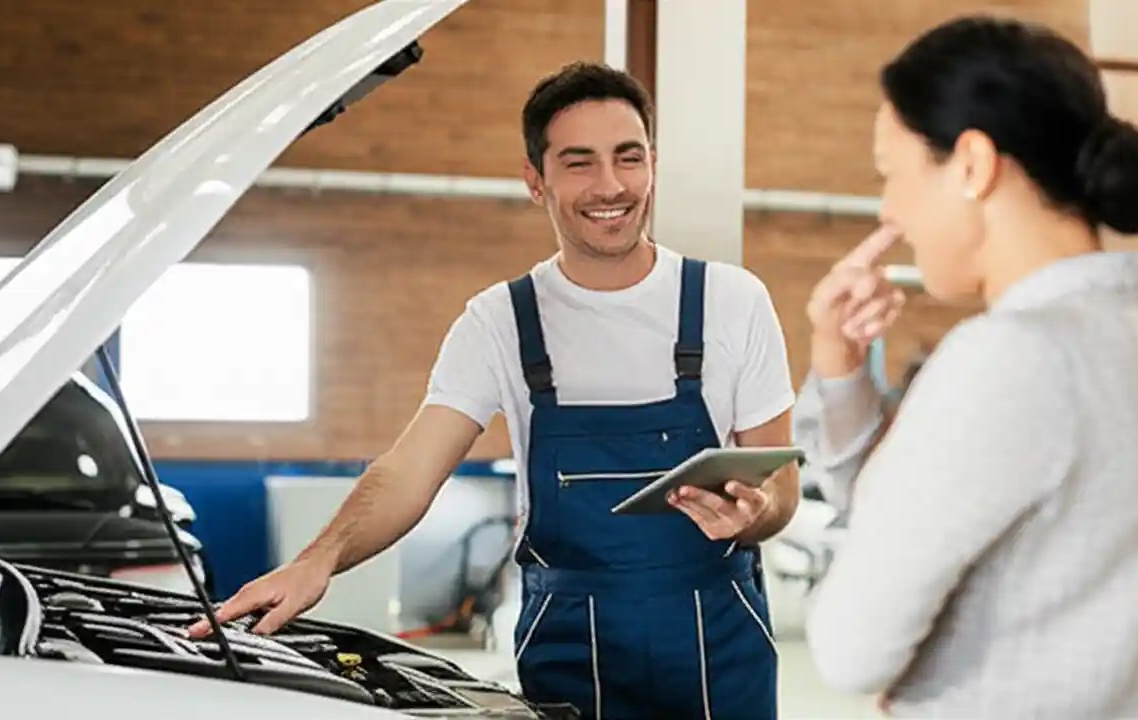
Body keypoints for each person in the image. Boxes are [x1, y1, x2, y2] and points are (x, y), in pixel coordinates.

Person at [190, 61, 799, 720]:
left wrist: (754, 515)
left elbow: (780, 489)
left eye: (629, 157)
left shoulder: (732, 302)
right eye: (578, 163)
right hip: (570, 646)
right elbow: (407, 471)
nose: (611, 185)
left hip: (719, 640)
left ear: (653, 162)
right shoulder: (500, 321)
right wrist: (316, 562)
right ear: (535, 182)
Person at [790, 15, 1138, 719]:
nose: (889, 210)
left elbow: (847, 644)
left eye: (893, 176)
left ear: (972, 165)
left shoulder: (1008, 358)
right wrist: (840, 366)